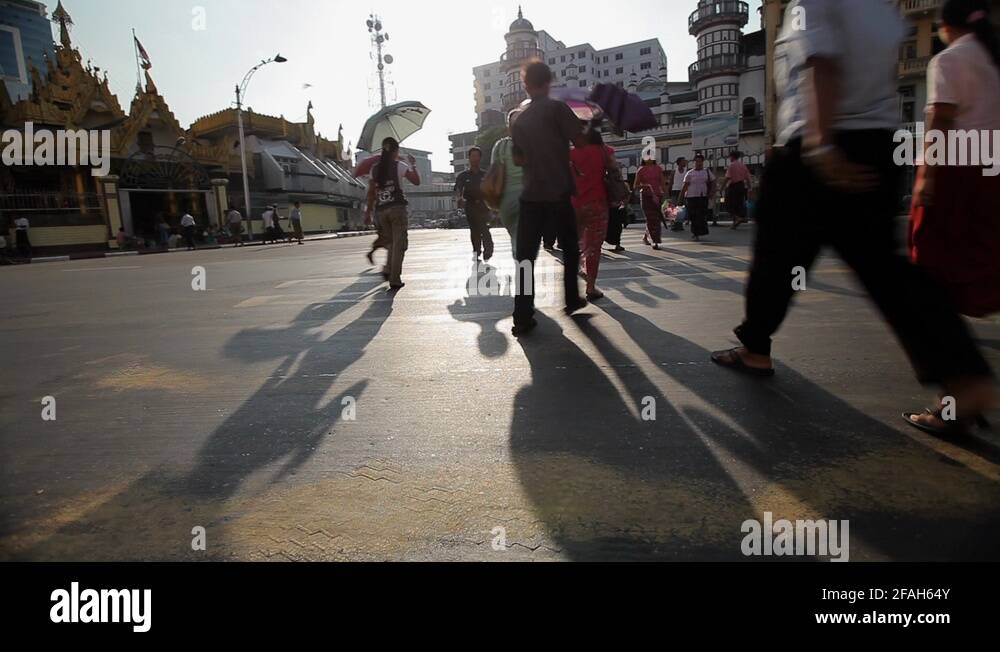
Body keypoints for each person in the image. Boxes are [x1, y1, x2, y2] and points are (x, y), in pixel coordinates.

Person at [710, 0, 994, 438]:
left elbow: (820, 64)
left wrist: (822, 148)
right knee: (885, 269)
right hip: (878, 142)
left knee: (776, 259)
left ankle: (755, 348)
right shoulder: (882, 9)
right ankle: (963, 378)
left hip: (819, 142)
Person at [909, 0, 1000, 320]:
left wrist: (927, 176)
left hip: (956, 166)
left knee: (932, 246)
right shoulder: (992, 58)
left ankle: (937, 318)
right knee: (983, 245)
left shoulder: (949, 59)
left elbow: (943, 118)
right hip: (992, 165)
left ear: (945, 26)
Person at [510, 60, 588, 337]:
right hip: (558, 192)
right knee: (569, 248)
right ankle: (571, 299)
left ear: (526, 84)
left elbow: (518, 158)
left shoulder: (518, 117)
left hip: (530, 195)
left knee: (525, 258)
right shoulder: (557, 108)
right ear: (548, 82)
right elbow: (579, 141)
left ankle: (522, 315)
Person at [571, 126, 617, 301]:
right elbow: (614, 169)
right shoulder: (604, 150)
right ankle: (590, 286)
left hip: (575, 203)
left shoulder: (571, 153)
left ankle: (581, 267)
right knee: (594, 246)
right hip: (597, 202)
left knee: (578, 241)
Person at [372, 137, 421, 291]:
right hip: (397, 210)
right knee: (400, 245)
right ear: (395, 151)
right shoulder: (399, 166)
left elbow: (374, 190)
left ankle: (388, 269)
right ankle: (394, 278)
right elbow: (416, 181)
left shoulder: (375, 169)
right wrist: (412, 164)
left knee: (391, 244)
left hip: (381, 210)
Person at [490, 107, 526, 257]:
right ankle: (524, 267)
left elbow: (493, 173)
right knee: (524, 238)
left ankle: (520, 261)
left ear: (508, 126)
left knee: (516, 236)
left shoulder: (500, 146)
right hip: (528, 199)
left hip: (506, 202)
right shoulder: (533, 144)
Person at [454, 147, 495, 261]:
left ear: (480, 158)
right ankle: (476, 250)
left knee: (484, 227)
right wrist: (459, 198)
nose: (475, 159)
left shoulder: (485, 174)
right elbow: (458, 189)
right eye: (473, 156)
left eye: (477, 156)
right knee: (474, 230)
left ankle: (488, 249)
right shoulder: (463, 175)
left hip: (484, 205)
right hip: (470, 205)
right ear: (469, 158)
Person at [681, 154, 714, 242]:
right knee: (693, 216)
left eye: (700, 161)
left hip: (702, 196)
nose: (698, 163)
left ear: (703, 162)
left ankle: (700, 231)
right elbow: (685, 186)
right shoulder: (689, 173)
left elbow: (713, 181)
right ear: (694, 162)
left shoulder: (706, 171)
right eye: (696, 161)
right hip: (691, 197)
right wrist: (680, 198)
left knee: (701, 215)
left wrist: (711, 192)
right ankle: (695, 233)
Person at [635, 158, 666, 249]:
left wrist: (666, 196)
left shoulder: (658, 169)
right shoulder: (641, 170)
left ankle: (651, 238)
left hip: (657, 196)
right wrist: (645, 185)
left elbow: (663, 183)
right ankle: (655, 240)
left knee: (655, 219)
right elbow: (635, 185)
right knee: (650, 218)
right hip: (646, 197)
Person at [723, 151, 752, 229]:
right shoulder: (743, 165)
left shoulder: (731, 165)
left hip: (733, 186)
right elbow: (748, 178)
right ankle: (735, 224)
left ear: (732, 157)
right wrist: (749, 188)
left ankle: (737, 218)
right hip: (741, 186)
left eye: (730, 157)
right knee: (738, 204)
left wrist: (722, 187)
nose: (729, 158)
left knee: (729, 203)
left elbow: (727, 178)